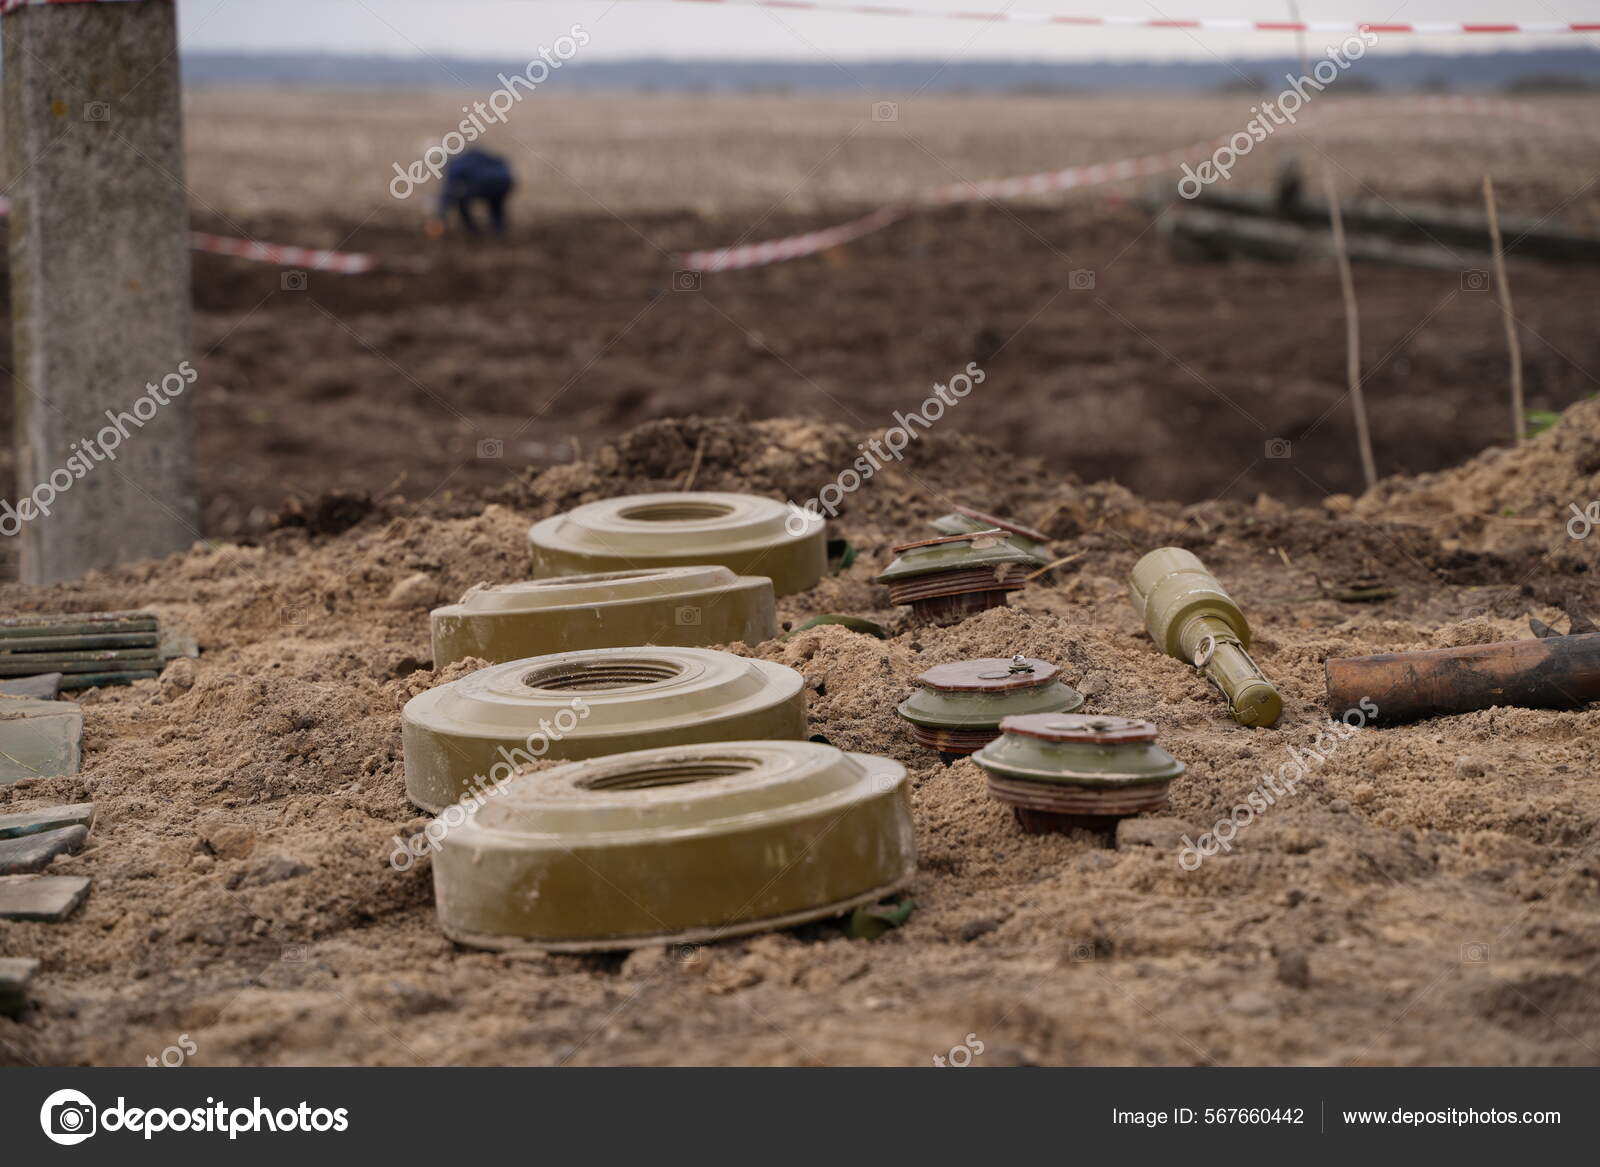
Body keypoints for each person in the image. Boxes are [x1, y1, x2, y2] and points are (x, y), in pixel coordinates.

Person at [434, 149, 514, 235]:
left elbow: (449, 191)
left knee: (461, 200)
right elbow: (505, 167)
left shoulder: (454, 164)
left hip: (485, 182)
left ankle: (472, 230)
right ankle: (499, 229)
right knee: (496, 202)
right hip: (504, 181)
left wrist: (440, 214)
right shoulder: (480, 156)